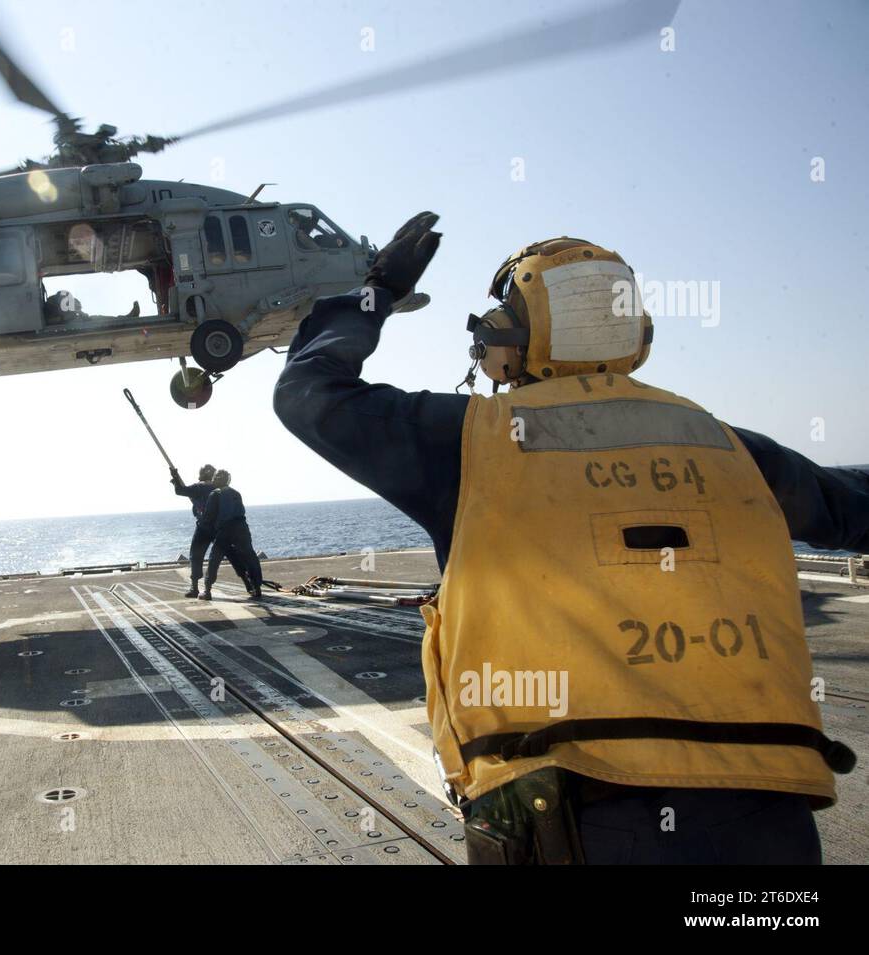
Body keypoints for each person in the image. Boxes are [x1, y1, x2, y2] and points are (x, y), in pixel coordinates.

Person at [273, 212, 868, 864]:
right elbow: (853, 507)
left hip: (576, 816)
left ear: (509, 338)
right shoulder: (735, 451)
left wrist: (375, 292)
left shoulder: (472, 441)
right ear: (636, 333)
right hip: (770, 821)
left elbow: (308, 392)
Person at [198, 470, 264, 601]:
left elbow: (208, 518)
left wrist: (200, 515)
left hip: (226, 530)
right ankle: (256, 587)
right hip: (242, 528)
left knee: (214, 558)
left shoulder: (214, 494)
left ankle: (207, 590)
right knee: (250, 556)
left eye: (216, 477)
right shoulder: (236, 493)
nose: (215, 479)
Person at [170, 463, 219, 598]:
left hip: (203, 528)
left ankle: (195, 588)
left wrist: (174, 478)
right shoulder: (218, 488)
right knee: (218, 558)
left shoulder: (199, 487)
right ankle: (251, 583)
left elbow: (180, 490)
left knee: (196, 556)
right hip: (219, 528)